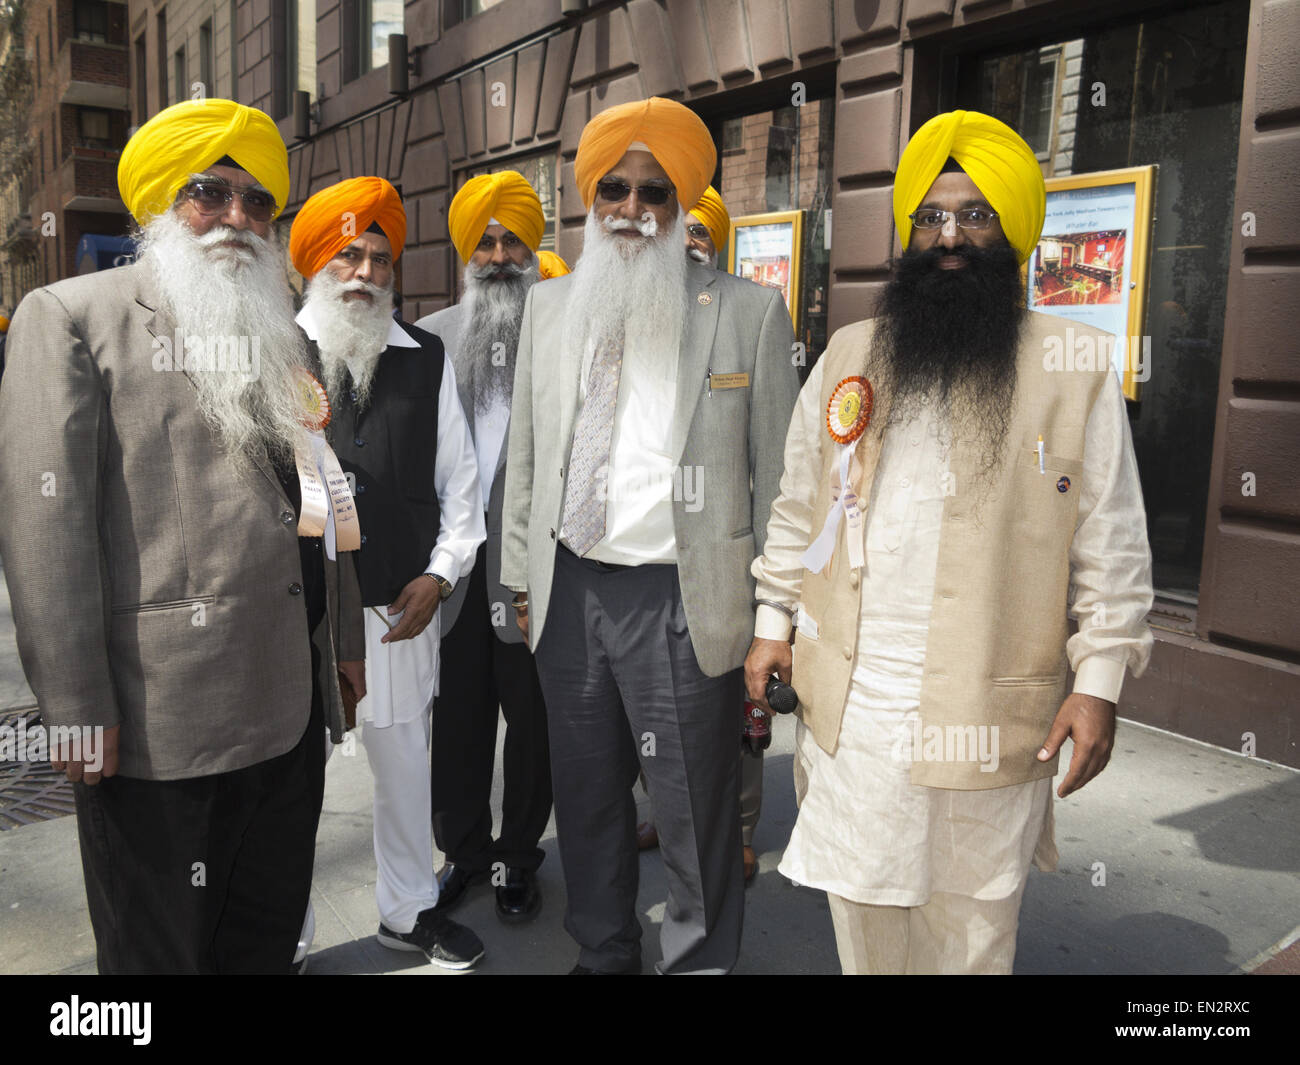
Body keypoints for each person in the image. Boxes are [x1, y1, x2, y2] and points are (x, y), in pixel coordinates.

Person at [745, 110, 1154, 975]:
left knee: (970, 935)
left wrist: (1101, 684)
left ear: (1013, 231)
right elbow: (798, 507)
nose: (949, 236)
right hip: (855, 709)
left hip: (986, 711)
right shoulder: (851, 353)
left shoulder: (1077, 366)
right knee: (864, 924)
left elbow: (1111, 544)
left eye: (974, 215)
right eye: (930, 217)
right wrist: (772, 621)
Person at [0, 99, 366, 974]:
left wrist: (342, 647)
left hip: (287, 712)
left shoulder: (289, 342)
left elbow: (321, 504)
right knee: (158, 956)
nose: (238, 217)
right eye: (211, 192)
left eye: (257, 202)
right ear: (161, 204)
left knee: (262, 941)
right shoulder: (73, 317)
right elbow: (45, 535)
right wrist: (78, 711)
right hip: (159, 724)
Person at [500, 96, 801, 974]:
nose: (632, 209)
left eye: (654, 192)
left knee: (690, 808)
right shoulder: (551, 309)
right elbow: (526, 456)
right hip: (568, 595)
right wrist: (521, 582)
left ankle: (697, 961)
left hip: (682, 600)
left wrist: (775, 618)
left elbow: (784, 483)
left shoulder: (745, 313)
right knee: (585, 799)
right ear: (590, 201)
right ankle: (604, 953)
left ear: (680, 206)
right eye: (615, 191)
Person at [290, 176, 487, 969]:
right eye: (348, 257)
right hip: (302, 614)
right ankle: (286, 935)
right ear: (317, 265)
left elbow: (461, 484)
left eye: (379, 257)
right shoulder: (277, 347)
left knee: (406, 767)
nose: (366, 273)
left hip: (399, 608)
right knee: (294, 785)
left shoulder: (425, 358)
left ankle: (407, 911)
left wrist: (440, 576)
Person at [414, 171, 556, 923]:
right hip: (458, 574)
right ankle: (463, 853)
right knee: (459, 721)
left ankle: (519, 857)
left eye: (513, 241)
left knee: (533, 727)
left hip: (535, 575)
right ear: (468, 252)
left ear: (533, 248)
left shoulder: (562, 331)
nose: (499, 255)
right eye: (487, 241)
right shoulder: (432, 337)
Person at [635, 184, 765, 885]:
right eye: (676, 235)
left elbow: (772, 463)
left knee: (737, 723)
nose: (687, 247)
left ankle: (740, 832)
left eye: (699, 237)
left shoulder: (745, 318)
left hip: (721, 563)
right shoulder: (639, 321)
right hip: (645, 569)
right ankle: (661, 812)